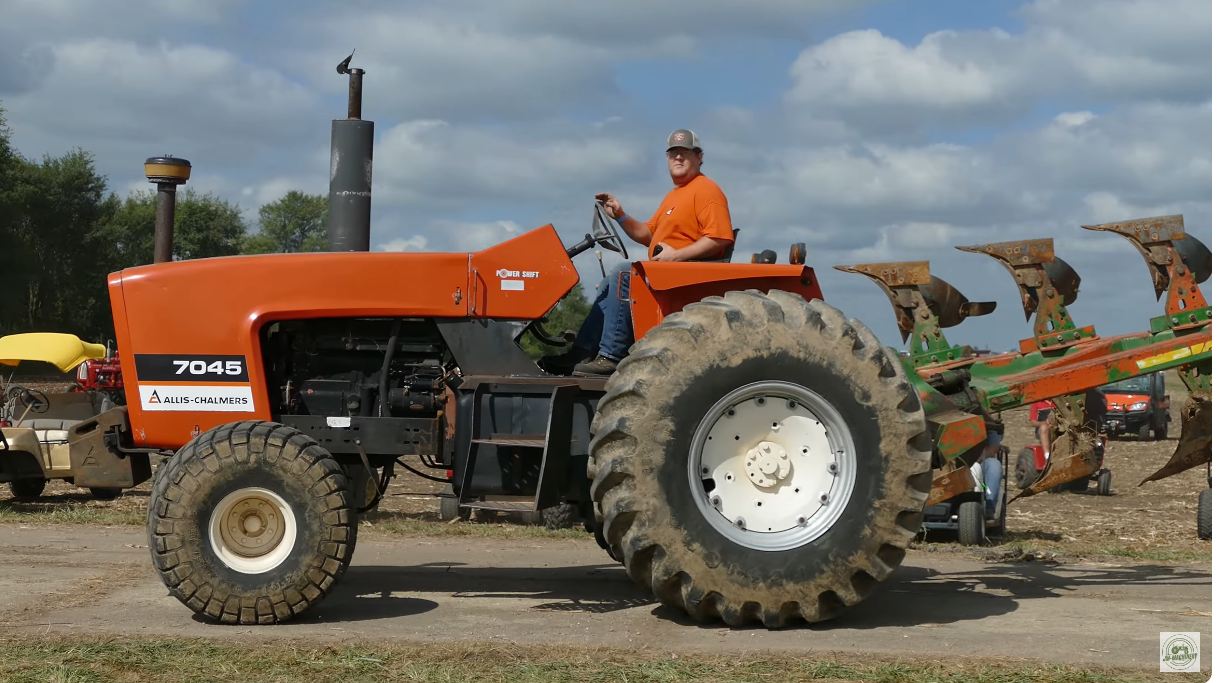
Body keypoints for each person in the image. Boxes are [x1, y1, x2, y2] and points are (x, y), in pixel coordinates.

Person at [541, 128, 735, 376]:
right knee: (609, 282)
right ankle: (582, 351)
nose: (678, 158)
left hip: (684, 279)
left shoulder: (706, 190)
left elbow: (719, 237)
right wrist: (620, 215)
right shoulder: (674, 197)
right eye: (673, 153)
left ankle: (611, 355)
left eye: (684, 153)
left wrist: (676, 256)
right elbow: (647, 235)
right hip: (666, 273)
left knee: (624, 273)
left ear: (699, 157)